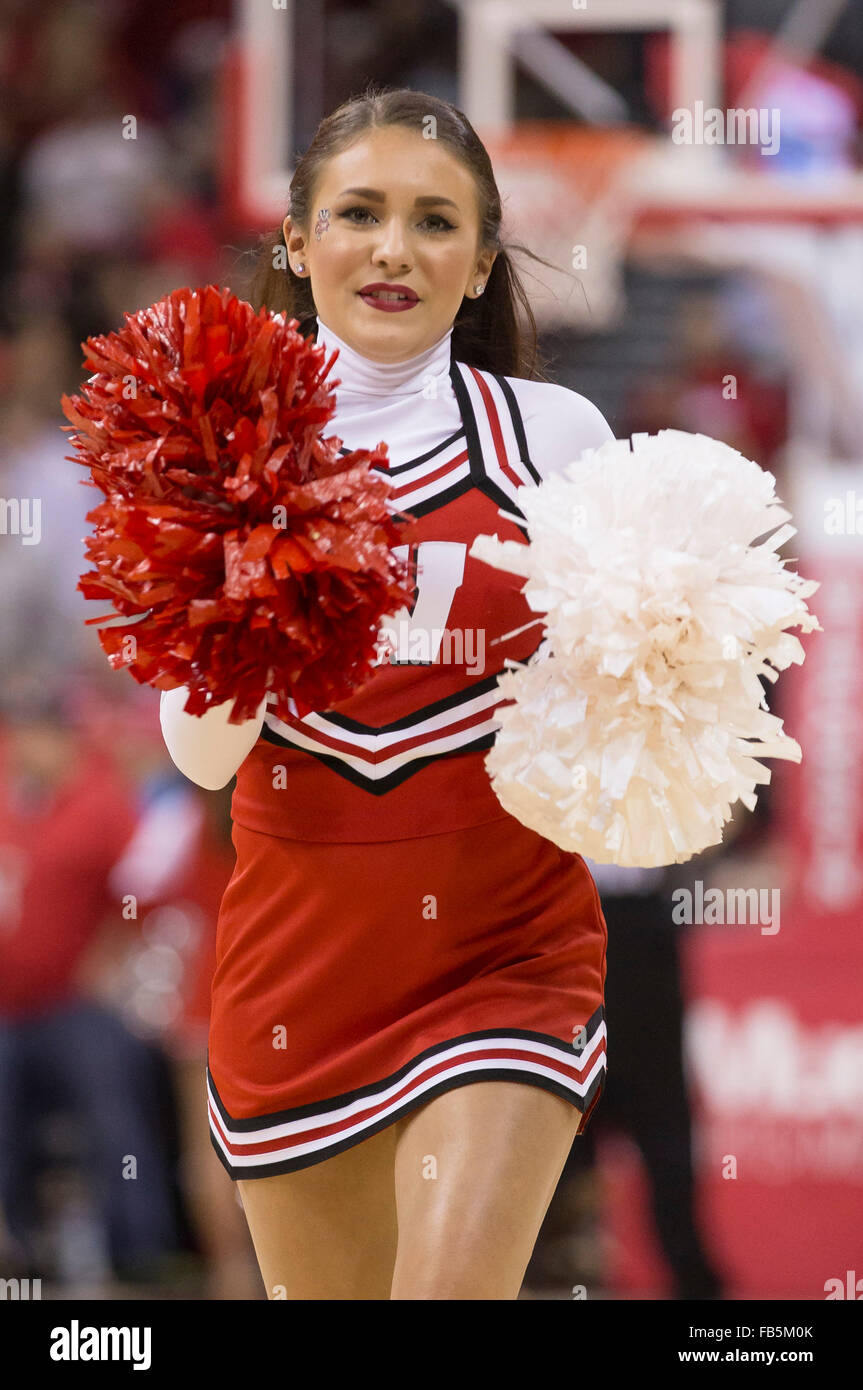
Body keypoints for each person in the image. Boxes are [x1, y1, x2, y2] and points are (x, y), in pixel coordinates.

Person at [160, 85, 613, 1301]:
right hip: (297, 966)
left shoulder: (555, 441)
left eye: (434, 221)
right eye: (359, 212)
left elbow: (618, 711)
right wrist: (246, 565)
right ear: (297, 243)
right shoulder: (208, 446)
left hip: (504, 953)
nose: (394, 248)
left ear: (477, 264)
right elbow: (203, 760)